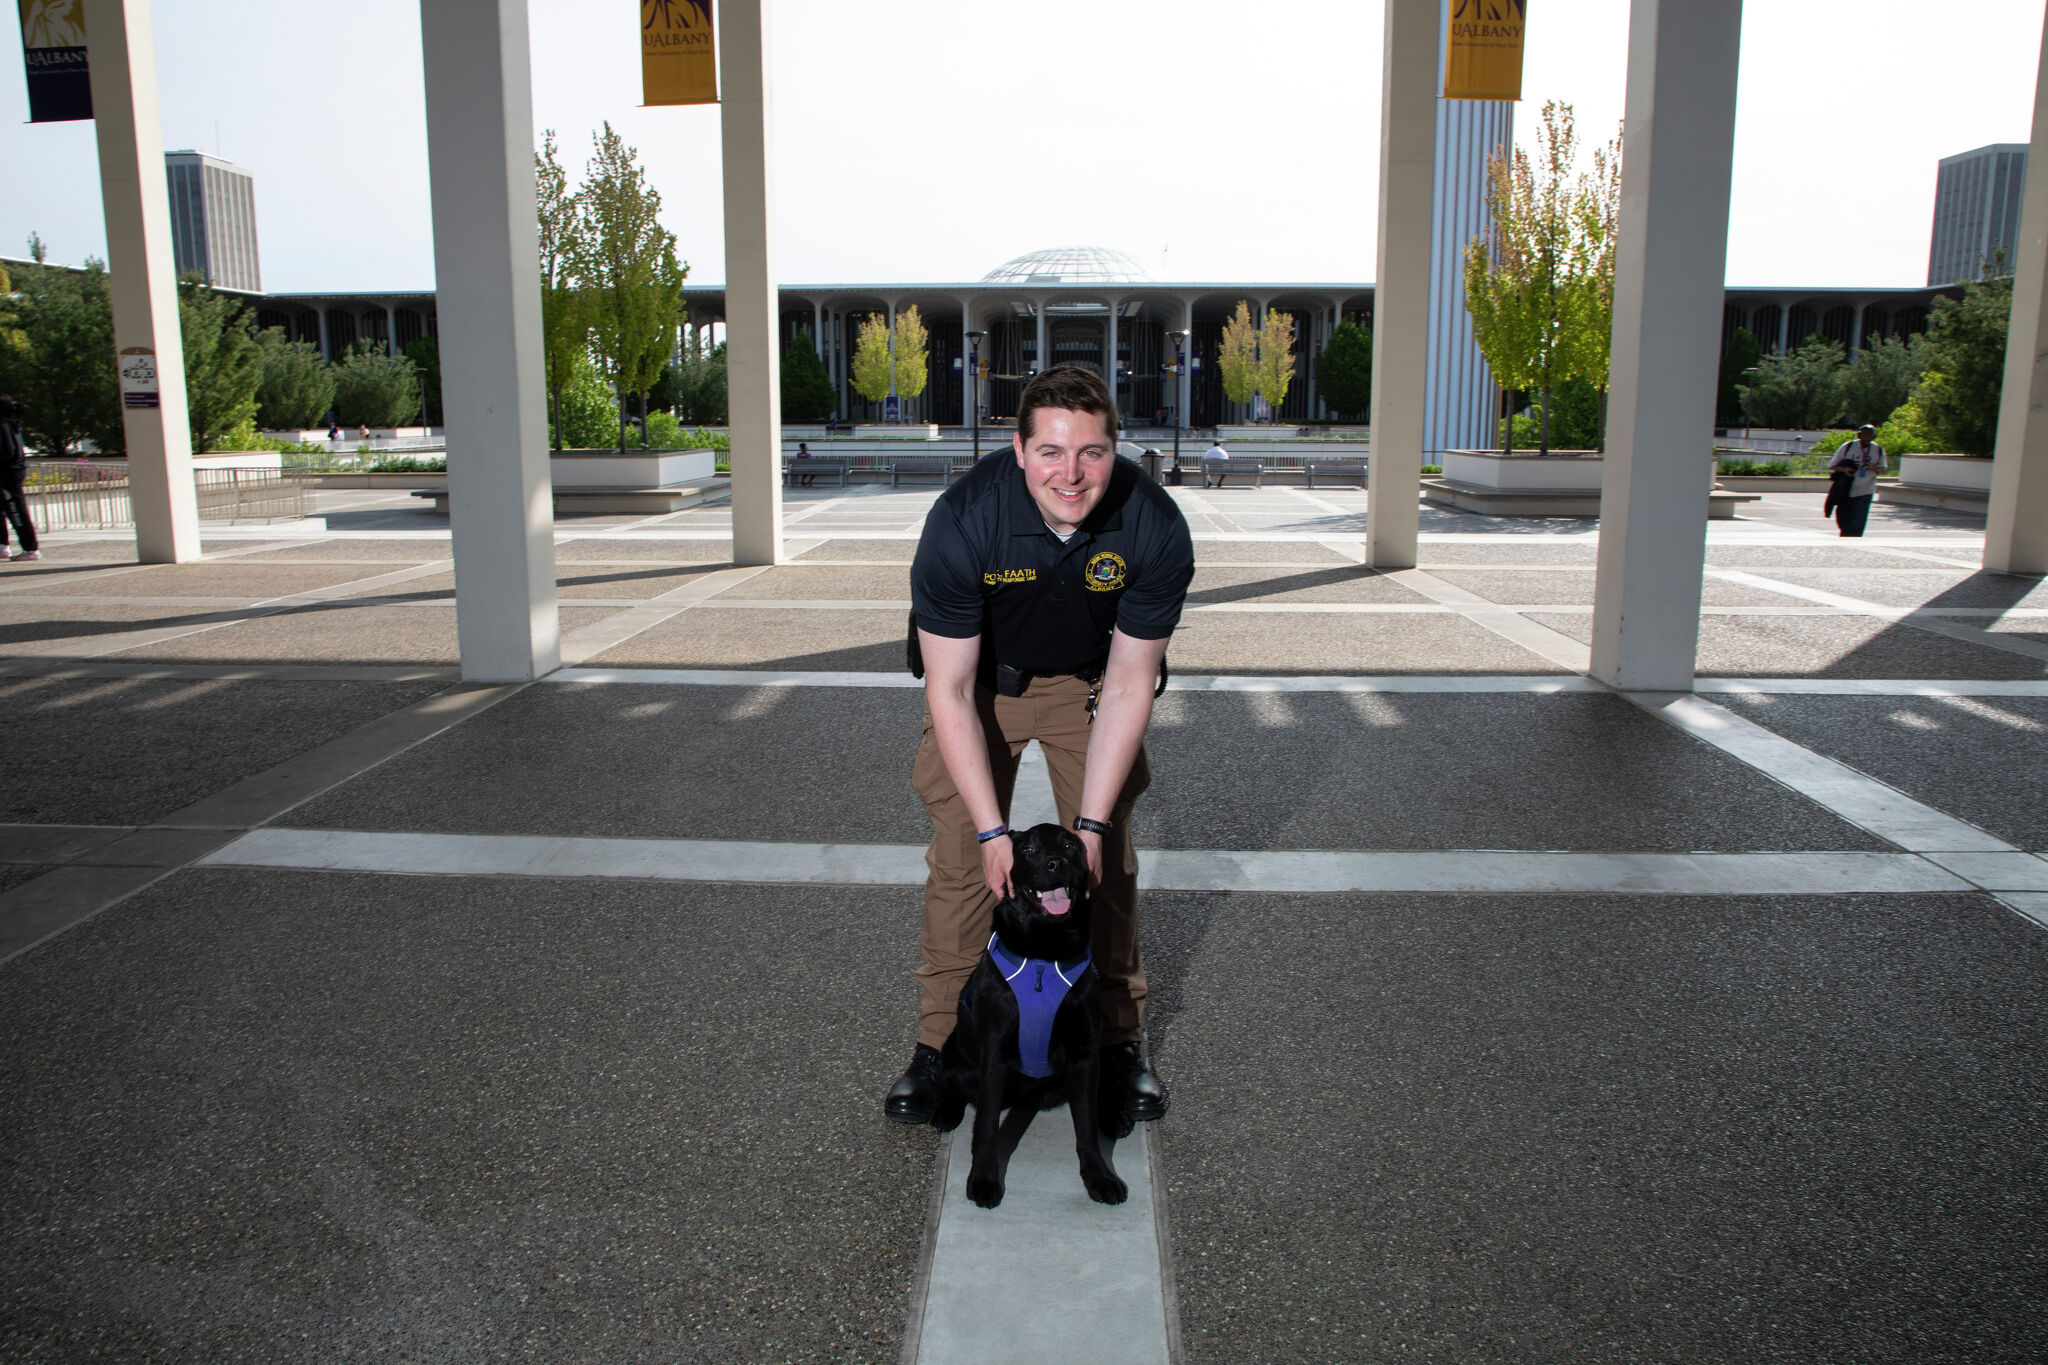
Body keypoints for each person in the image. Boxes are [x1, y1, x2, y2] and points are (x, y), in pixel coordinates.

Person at [884, 365, 1195, 1131]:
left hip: (1087, 685)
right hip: (982, 684)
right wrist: (996, 832)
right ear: (1018, 450)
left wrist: (1086, 826)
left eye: (1092, 452)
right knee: (962, 859)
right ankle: (940, 1044)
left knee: (1106, 860)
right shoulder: (962, 520)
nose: (1072, 473)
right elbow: (948, 690)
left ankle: (1118, 1041)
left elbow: (1129, 686)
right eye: (1051, 451)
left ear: (1117, 449)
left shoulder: (1153, 525)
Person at [0, 396, 41, 562]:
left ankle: (31, 548)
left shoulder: (3, 426)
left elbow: (6, 453)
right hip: (12, 472)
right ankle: (2, 546)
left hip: (7, 474)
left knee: (15, 510)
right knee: (3, 508)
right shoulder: (11, 424)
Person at [1827, 424, 1886, 537]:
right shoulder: (1848, 446)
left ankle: (1854, 538)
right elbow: (1832, 465)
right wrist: (1845, 469)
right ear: (1859, 435)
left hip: (1866, 488)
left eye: (1870, 435)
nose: (1866, 438)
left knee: (1859, 518)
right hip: (1847, 487)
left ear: (1874, 437)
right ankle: (1845, 534)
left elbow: (1883, 469)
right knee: (1843, 515)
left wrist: (1875, 468)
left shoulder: (1877, 449)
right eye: (1864, 435)